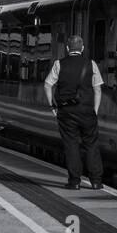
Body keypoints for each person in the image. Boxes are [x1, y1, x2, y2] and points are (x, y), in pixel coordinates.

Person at [43, 35, 104, 190]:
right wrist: (95, 110)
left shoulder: (59, 64)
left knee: (71, 145)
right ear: (82, 48)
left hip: (66, 112)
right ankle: (96, 181)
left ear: (67, 48)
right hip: (87, 111)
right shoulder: (91, 64)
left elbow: (47, 85)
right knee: (91, 145)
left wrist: (52, 106)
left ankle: (74, 181)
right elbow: (97, 89)